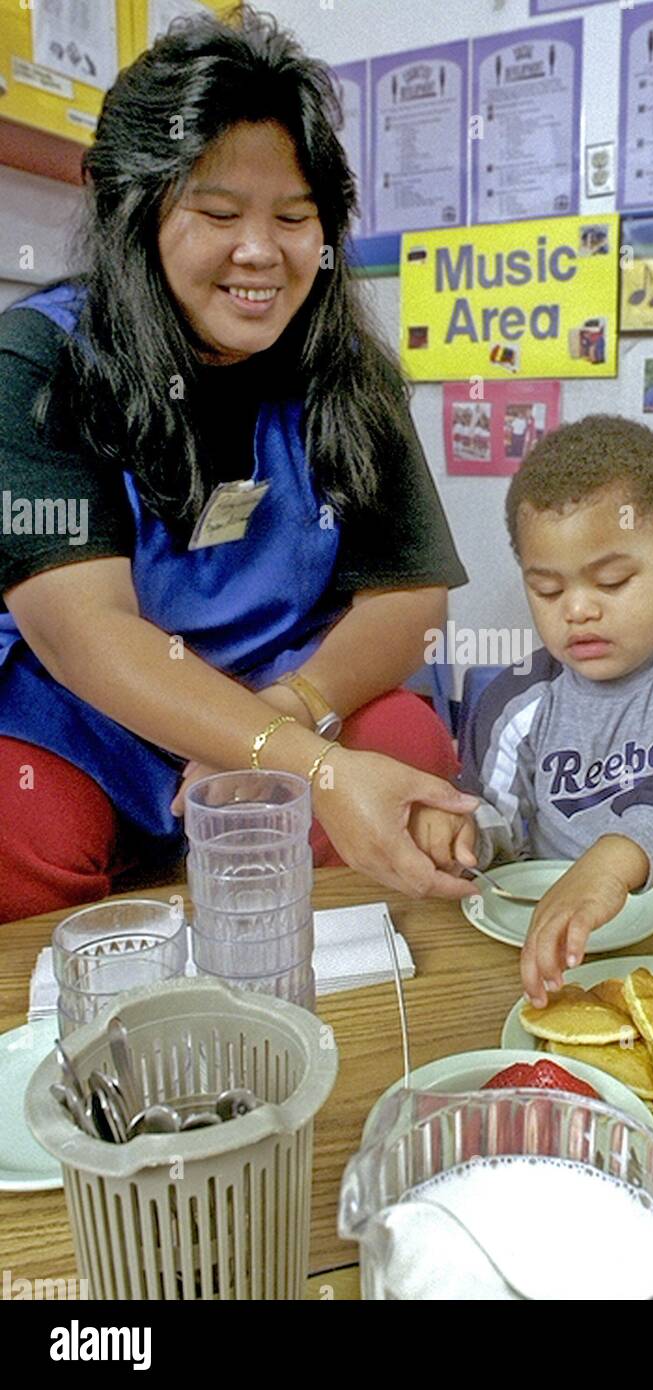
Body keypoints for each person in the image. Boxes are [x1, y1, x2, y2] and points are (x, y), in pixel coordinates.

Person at [0, 6, 480, 924]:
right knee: (15, 823)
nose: (260, 252)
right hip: (88, 717)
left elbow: (410, 603)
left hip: (291, 688)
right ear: (126, 208)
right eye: (217, 213)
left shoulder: (349, 374)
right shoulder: (39, 361)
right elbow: (83, 634)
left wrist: (289, 715)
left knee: (408, 744)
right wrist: (307, 766)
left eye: (295, 218)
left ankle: (350, 1016)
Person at [406, 415, 653, 1005]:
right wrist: (462, 832)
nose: (577, 610)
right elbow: (499, 821)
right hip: (566, 946)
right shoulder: (515, 697)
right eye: (547, 591)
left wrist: (613, 861)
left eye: (613, 581)